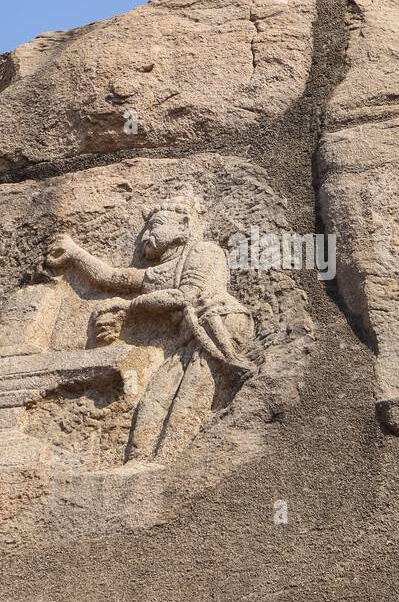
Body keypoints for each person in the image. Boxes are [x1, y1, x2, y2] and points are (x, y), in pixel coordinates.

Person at [46, 196, 254, 462]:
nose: (146, 235)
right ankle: (140, 462)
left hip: (217, 326)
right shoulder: (159, 272)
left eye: (155, 225)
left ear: (183, 225)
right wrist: (75, 253)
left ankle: (170, 463)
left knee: (190, 395)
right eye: (145, 229)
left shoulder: (203, 251)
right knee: (155, 399)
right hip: (189, 336)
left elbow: (184, 297)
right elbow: (110, 277)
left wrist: (129, 308)